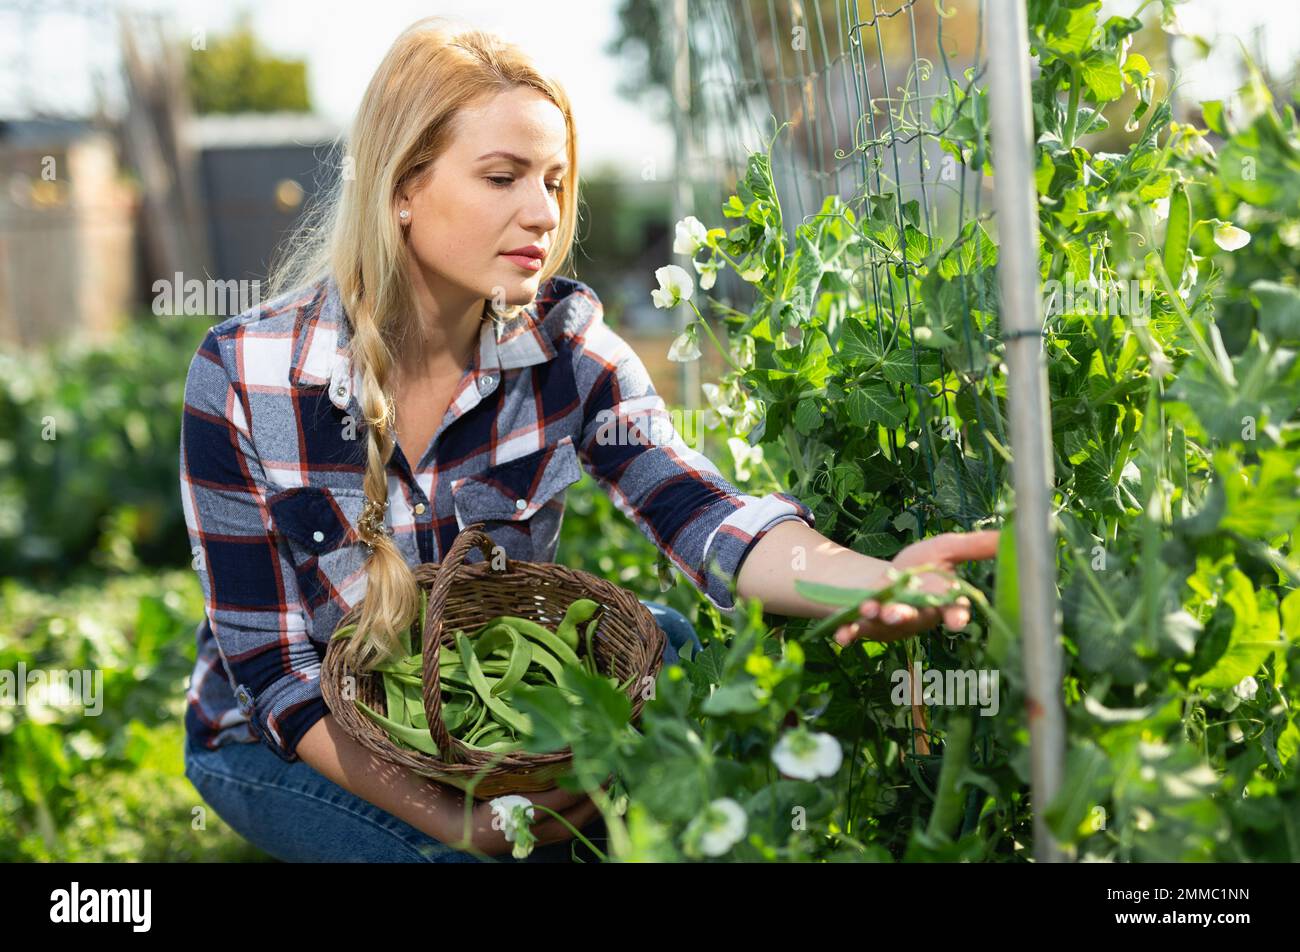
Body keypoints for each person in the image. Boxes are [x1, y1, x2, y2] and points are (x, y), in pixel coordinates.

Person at [179, 16, 998, 864]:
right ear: (402, 188)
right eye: (502, 177)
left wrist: (871, 582)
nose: (541, 212)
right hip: (281, 736)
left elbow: (703, 513)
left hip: (480, 731)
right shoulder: (247, 375)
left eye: (555, 180)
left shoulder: (565, 349)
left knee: (673, 651)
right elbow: (273, 673)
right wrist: (460, 828)